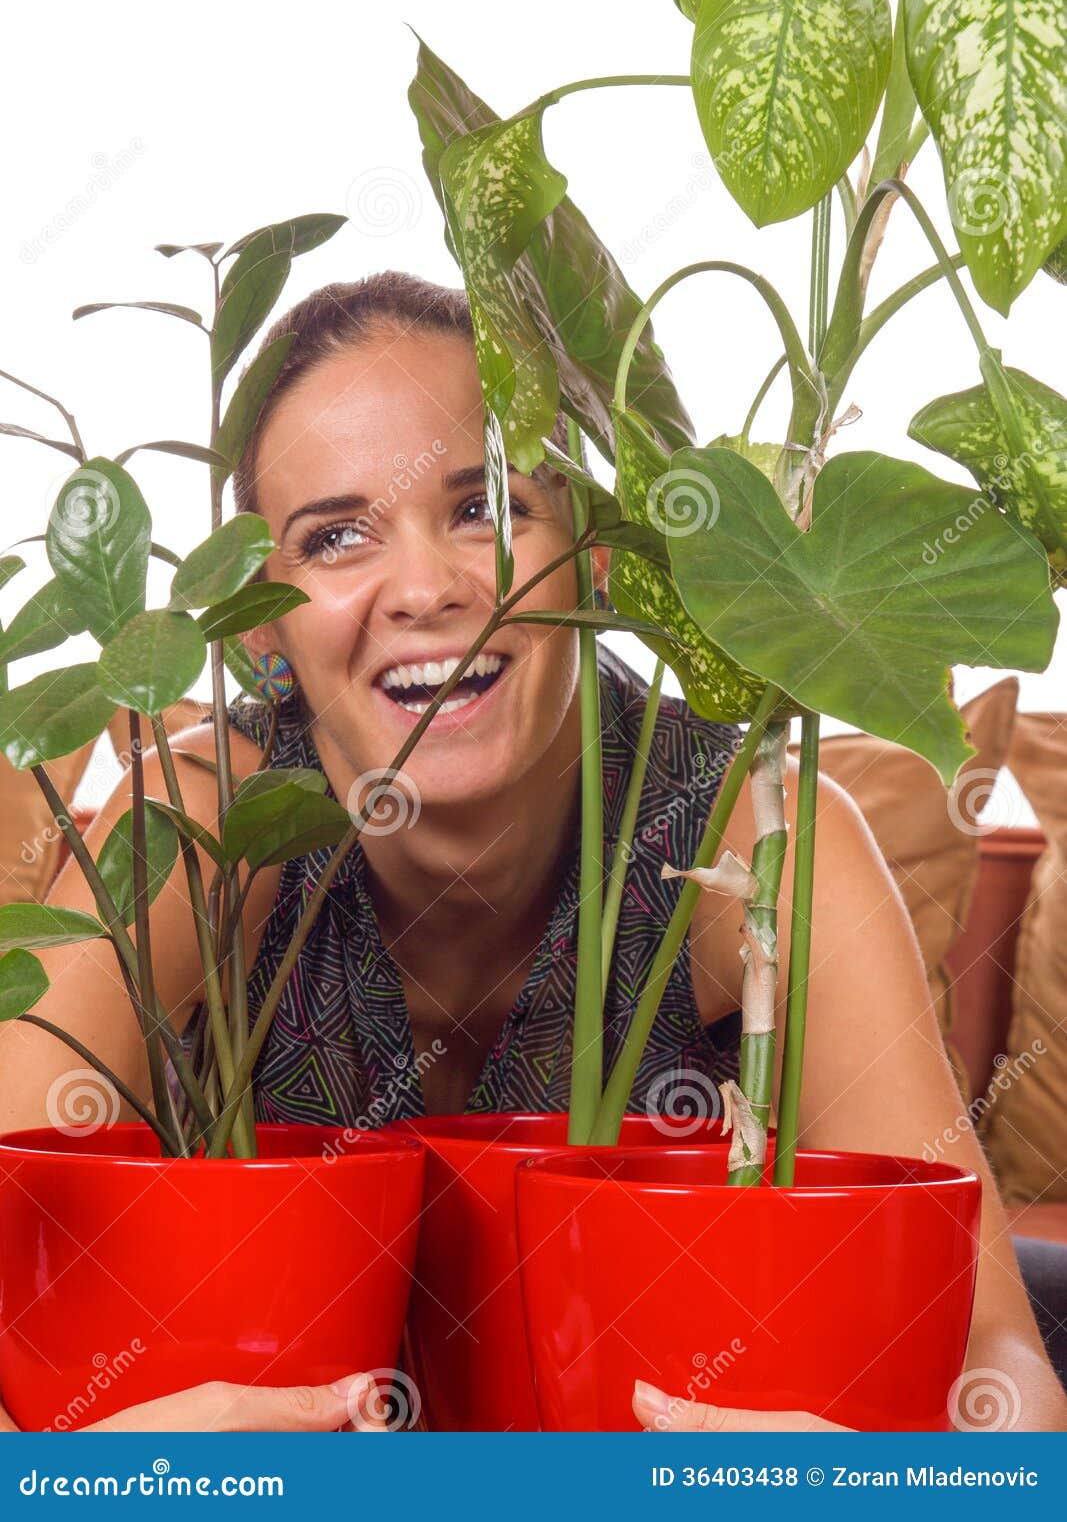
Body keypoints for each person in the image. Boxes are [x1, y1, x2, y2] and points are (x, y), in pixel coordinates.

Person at [1, 272, 1064, 1434]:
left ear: (595, 550)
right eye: (337, 536)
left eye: (486, 507)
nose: (427, 588)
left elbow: (992, 1354)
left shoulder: (752, 831)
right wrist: (95, 1481)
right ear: (264, 618)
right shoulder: (208, 819)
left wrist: (864, 1489)